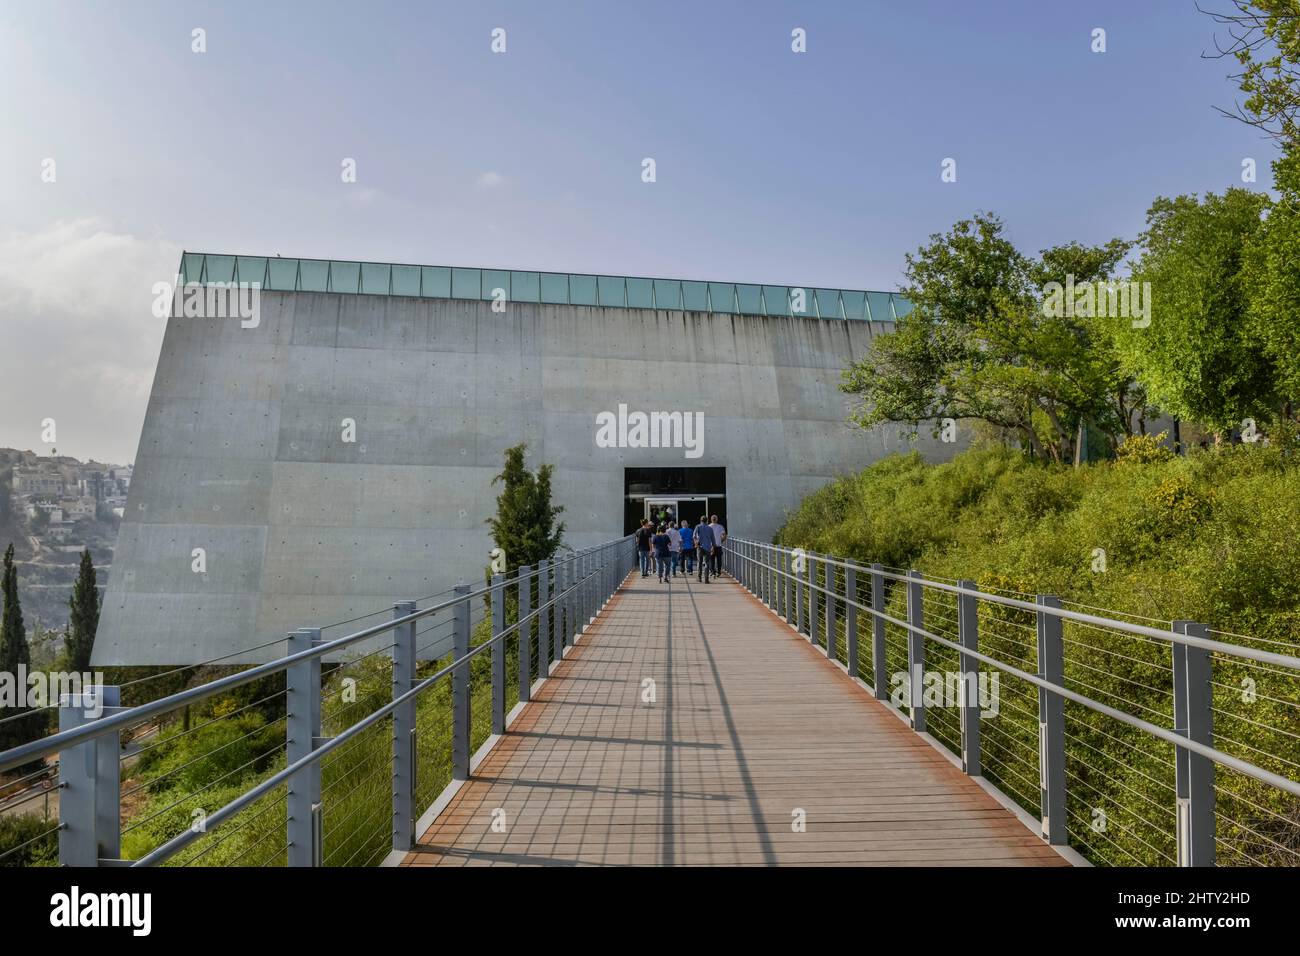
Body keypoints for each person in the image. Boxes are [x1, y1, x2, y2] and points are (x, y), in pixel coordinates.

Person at [694, 516, 714, 583]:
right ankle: (706, 579)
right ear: (707, 521)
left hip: (700, 547)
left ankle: (699, 578)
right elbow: (713, 539)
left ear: (700, 520)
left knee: (699, 562)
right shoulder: (710, 528)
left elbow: (694, 536)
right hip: (708, 547)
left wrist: (696, 542)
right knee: (707, 563)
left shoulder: (698, 527)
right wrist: (713, 546)